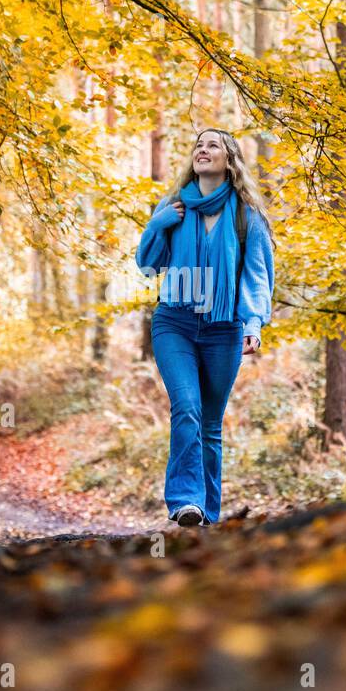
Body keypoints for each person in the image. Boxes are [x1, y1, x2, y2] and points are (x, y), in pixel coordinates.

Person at [135, 128, 275, 527]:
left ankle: (205, 515)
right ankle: (184, 501)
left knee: (211, 424)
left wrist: (252, 322)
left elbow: (257, 275)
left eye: (212, 145)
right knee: (188, 409)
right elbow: (147, 265)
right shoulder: (175, 207)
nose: (203, 149)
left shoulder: (246, 214)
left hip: (223, 329)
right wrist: (157, 224)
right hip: (174, 322)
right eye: (198, 144)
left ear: (229, 159)